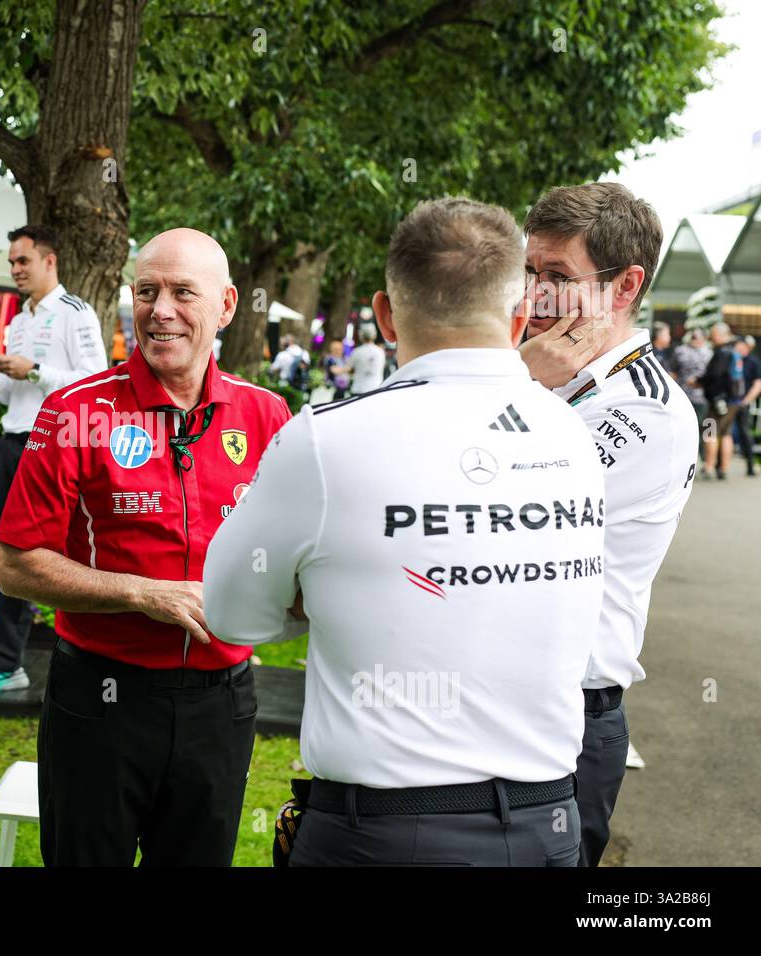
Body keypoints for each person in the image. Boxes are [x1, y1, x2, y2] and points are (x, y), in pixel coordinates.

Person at [205, 197, 604, 867]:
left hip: (386, 836)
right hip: (548, 828)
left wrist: (340, 590)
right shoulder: (572, 435)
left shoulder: (327, 441)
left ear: (386, 315)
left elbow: (229, 612)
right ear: (517, 318)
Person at [0, 228, 291, 866]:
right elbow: (15, 567)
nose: (161, 310)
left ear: (228, 305)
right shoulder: (74, 410)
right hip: (102, 698)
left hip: (222, 701)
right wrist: (140, 593)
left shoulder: (266, 415)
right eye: (147, 291)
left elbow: (293, 561)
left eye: (184, 292)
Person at [517, 181, 698, 865]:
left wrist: (509, 382)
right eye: (529, 271)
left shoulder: (646, 409)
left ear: (626, 287)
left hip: (569, 714)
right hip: (499, 696)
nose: (533, 296)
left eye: (558, 277)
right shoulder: (546, 373)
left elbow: (503, 510)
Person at [0, 224, 107, 695]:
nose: (13, 270)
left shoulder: (77, 312)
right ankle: (9, 663)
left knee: (63, 557)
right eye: (11, 262)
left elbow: (95, 382)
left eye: (22, 261)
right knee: (12, 555)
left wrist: (34, 369)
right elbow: (11, 395)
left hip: (57, 445)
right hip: (15, 441)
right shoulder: (18, 319)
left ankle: (83, 659)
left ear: (49, 261)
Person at [702, 322, 742, 480]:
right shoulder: (734, 351)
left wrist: (700, 381)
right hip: (733, 400)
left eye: (713, 334)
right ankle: (724, 467)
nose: (711, 337)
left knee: (709, 432)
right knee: (726, 434)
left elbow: (714, 375)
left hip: (719, 400)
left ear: (719, 335)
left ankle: (709, 467)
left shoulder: (722, 352)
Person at [674, 327, 712, 449]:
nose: (694, 339)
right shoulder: (681, 350)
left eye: (697, 337)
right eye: (693, 336)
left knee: (701, 426)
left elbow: (712, 374)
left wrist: (700, 382)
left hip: (701, 397)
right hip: (682, 395)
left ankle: (698, 455)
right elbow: (673, 370)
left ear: (704, 338)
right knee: (682, 426)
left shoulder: (709, 353)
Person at [733, 335, 760, 476]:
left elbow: (758, 384)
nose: (738, 348)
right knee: (718, 432)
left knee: (745, 433)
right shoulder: (731, 359)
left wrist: (747, 400)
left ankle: (750, 465)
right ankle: (716, 464)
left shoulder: (753, 362)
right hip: (730, 402)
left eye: (741, 346)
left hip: (743, 402)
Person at [346, 323, 385, 393]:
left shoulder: (356, 352)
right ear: (374, 335)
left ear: (361, 336)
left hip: (358, 389)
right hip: (376, 389)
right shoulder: (380, 352)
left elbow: (350, 369)